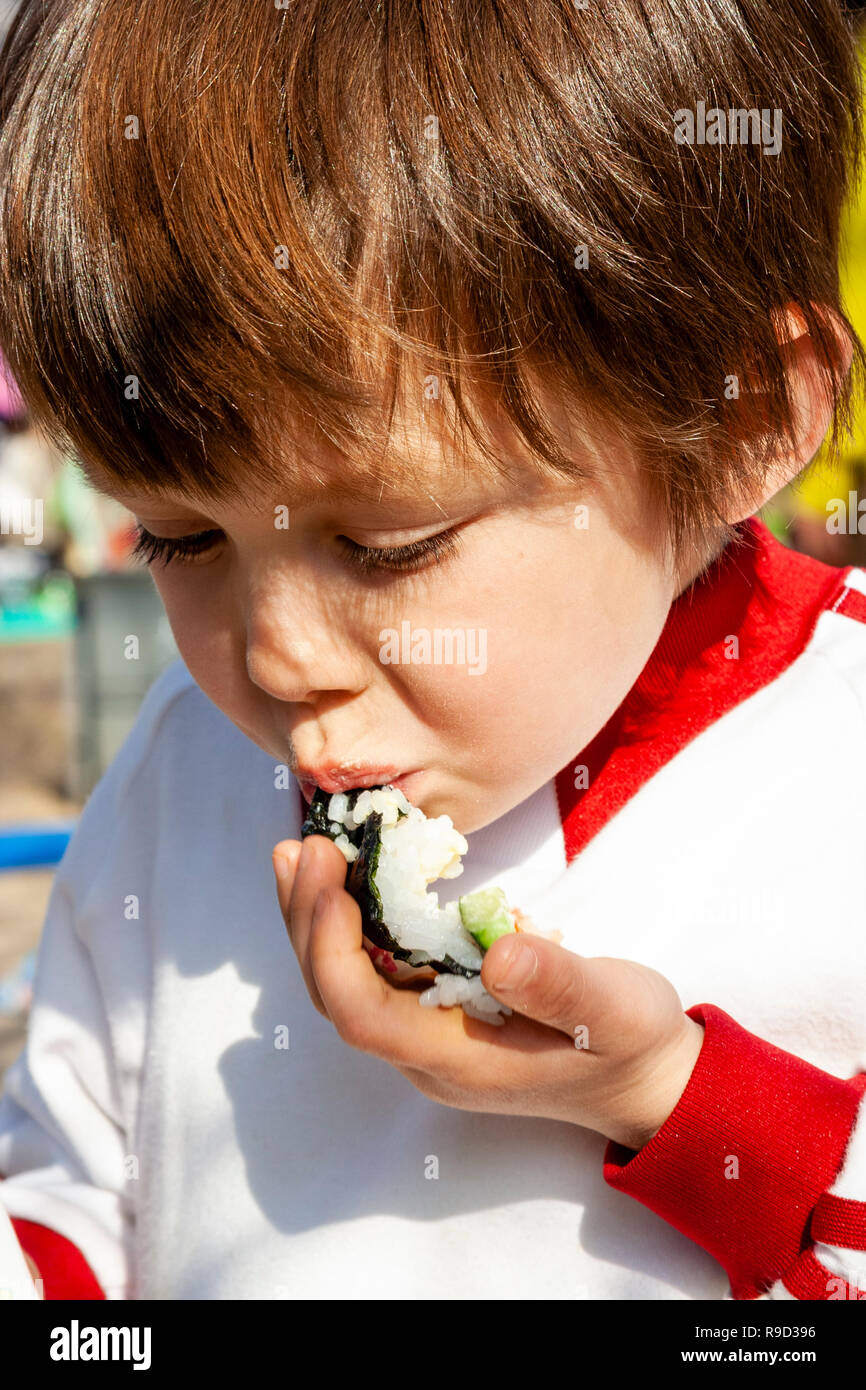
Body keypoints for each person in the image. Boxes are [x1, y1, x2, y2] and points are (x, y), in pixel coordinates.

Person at [0, 0, 864, 1302]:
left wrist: (669, 1096)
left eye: (390, 545)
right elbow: (67, 1184)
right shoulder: (185, 767)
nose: (281, 661)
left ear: (739, 414)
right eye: (181, 538)